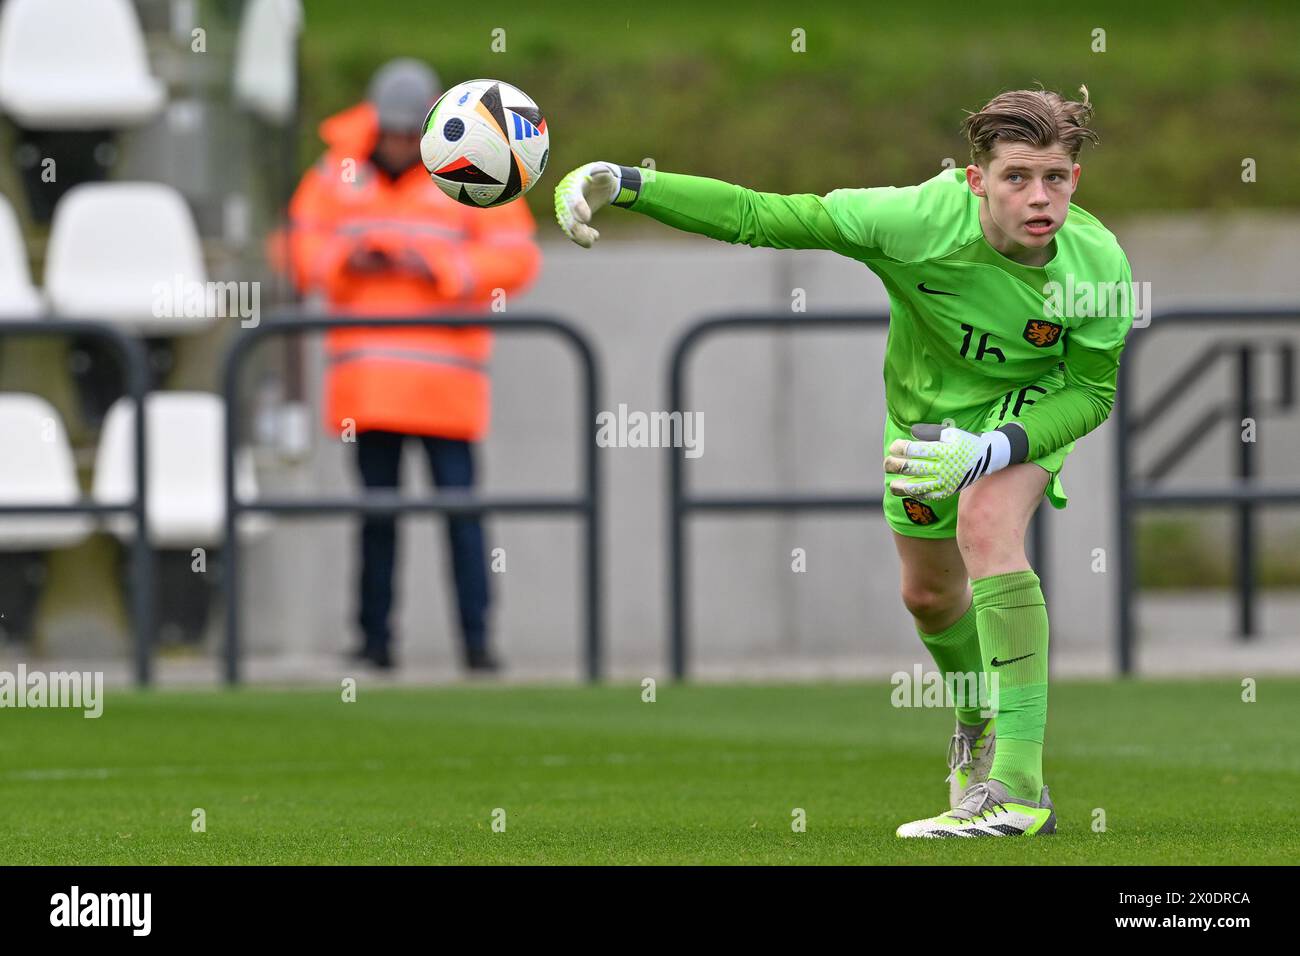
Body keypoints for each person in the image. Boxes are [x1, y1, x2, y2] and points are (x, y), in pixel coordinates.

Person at [555, 87, 1133, 836]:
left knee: (986, 520)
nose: (1039, 197)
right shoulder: (910, 221)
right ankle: (978, 722)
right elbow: (763, 216)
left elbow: (1091, 391)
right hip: (924, 420)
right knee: (929, 597)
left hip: (1026, 413)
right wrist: (631, 183)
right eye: (1016, 176)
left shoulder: (1098, 266)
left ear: (1075, 180)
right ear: (976, 180)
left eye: (1054, 178)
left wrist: (995, 448)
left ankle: (1018, 791)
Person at [286, 59, 541, 671]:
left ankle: (477, 645)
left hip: (444, 389)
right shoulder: (335, 171)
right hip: (368, 389)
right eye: (393, 132)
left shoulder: (476, 162)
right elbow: (301, 247)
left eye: (410, 133)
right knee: (377, 517)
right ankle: (375, 643)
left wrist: (442, 269)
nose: (401, 144)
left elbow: (516, 258)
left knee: (460, 515)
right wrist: (350, 260)